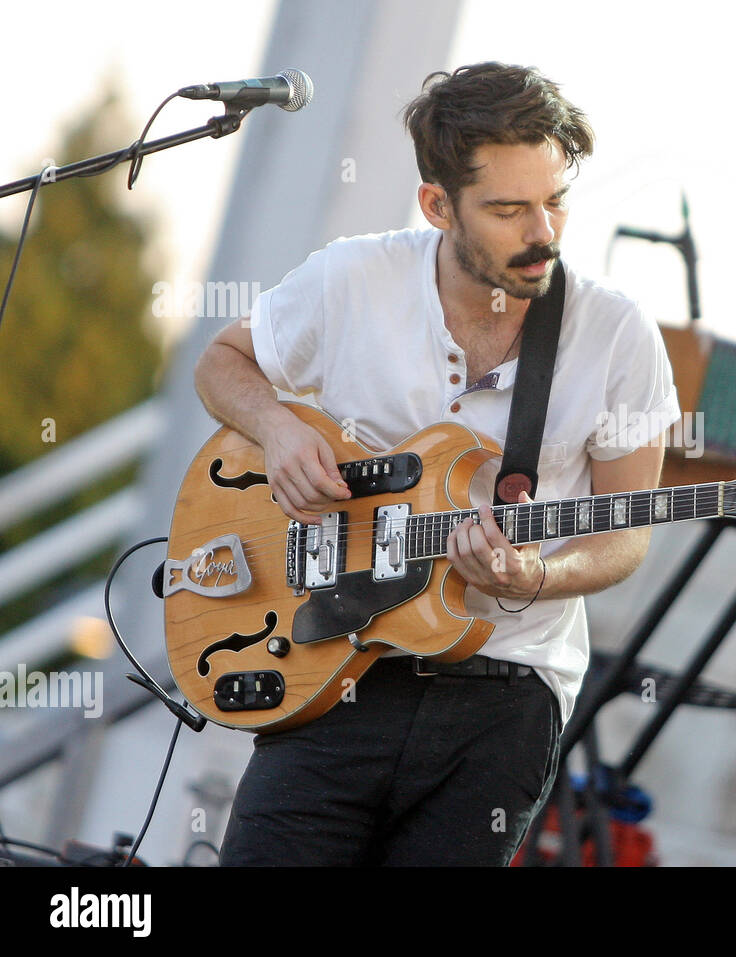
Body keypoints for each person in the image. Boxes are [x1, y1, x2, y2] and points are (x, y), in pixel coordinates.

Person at [195, 62, 680, 866]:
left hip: (506, 690)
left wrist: (535, 575)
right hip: (333, 664)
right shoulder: (353, 278)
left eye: (556, 201)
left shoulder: (617, 334)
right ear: (436, 205)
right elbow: (221, 363)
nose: (544, 233)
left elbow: (625, 532)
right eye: (509, 209)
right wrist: (277, 430)